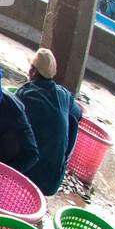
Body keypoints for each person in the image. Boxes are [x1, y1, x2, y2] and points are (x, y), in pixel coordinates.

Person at [15, 48, 83, 196]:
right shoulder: (64, 94)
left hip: (24, 176)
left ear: (33, 71)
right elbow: (78, 115)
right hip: (52, 182)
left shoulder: (25, 93)